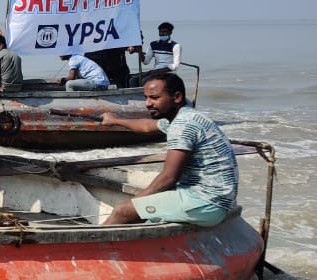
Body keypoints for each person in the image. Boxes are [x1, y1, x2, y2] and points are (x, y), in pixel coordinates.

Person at [101, 73, 238, 226]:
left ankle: (94, 241)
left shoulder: (182, 125)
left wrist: (133, 204)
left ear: (177, 97)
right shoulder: (186, 115)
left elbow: (169, 178)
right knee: (143, 207)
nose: (148, 103)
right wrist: (115, 121)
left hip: (207, 203)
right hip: (218, 199)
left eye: (154, 98)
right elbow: (147, 126)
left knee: (122, 211)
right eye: (146, 98)